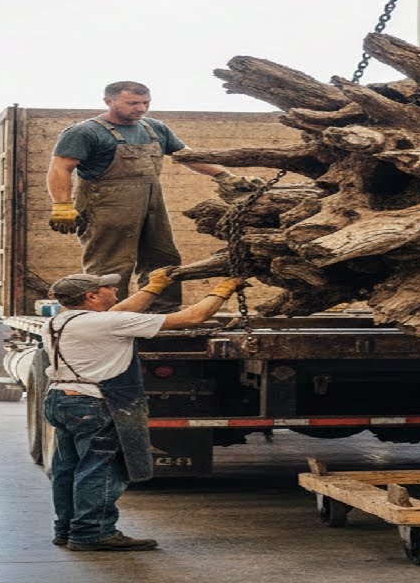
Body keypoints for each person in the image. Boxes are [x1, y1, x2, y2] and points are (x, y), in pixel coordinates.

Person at [44, 268, 247, 551]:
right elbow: (192, 318)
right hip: (95, 403)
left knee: (68, 468)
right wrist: (223, 289)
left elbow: (118, 312)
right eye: (108, 288)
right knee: (101, 468)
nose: (115, 292)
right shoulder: (107, 324)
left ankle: (66, 530)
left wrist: (154, 288)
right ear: (91, 296)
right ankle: (92, 533)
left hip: (62, 400)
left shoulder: (60, 320)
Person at [46, 81, 260, 311]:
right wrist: (62, 205)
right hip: (106, 207)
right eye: (133, 103)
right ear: (108, 101)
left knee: (164, 258)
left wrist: (224, 175)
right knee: (111, 265)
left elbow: (185, 155)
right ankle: (108, 317)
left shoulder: (154, 128)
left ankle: (162, 313)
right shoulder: (85, 132)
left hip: (152, 205)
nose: (141, 108)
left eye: (145, 103)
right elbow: (60, 167)